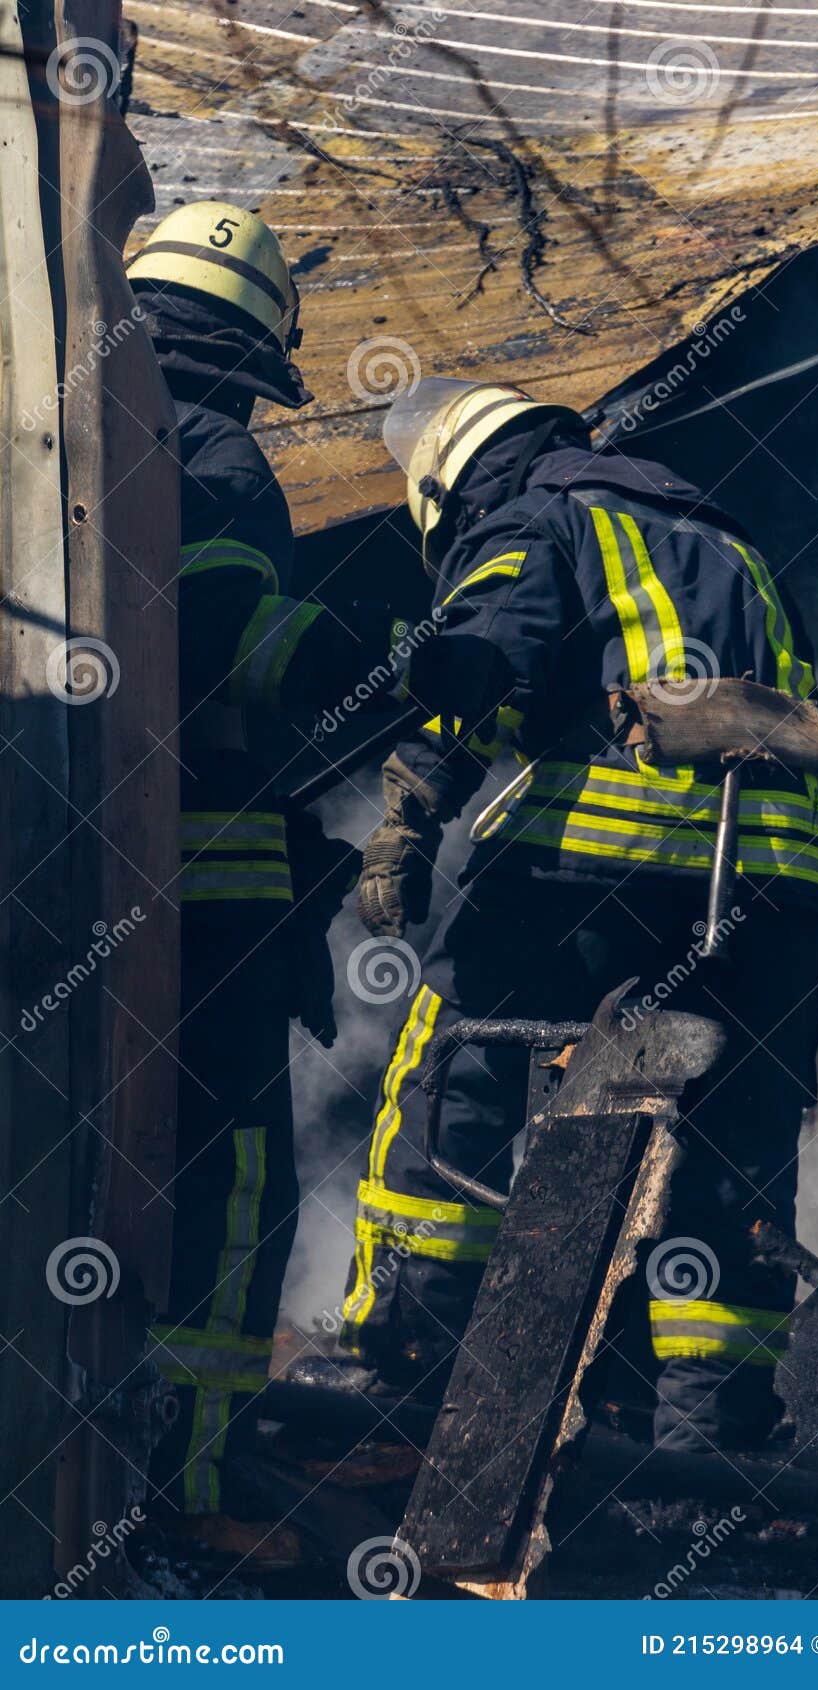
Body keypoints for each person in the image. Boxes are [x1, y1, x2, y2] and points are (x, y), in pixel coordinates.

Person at [337, 378, 818, 1453]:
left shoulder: (539, 513)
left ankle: (401, 1371)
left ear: (457, 481)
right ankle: (707, 1455)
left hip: (596, 858)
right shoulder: (729, 539)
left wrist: (408, 817)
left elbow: (481, 659)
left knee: (452, 1086)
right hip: (780, 896)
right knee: (727, 1162)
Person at [126, 200, 402, 1519]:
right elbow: (240, 642)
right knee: (229, 1186)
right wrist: (370, 649)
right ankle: (188, 1487)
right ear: (253, 339)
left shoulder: (71, 424)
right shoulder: (217, 455)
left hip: (72, 891)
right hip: (204, 897)